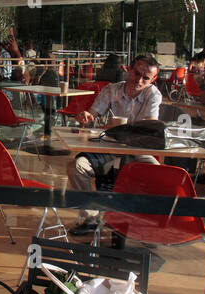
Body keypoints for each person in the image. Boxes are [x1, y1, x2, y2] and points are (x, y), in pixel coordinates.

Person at [68, 55, 162, 235]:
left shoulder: (153, 95)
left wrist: (121, 129)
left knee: (159, 174)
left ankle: (144, 223)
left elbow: (149, 127)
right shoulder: (111, 90)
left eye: (146, 77)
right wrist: (86, 116)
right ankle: (91, 217)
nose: (139, 80)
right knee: (76, 167)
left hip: (137, 150)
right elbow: (93, 113)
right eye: (136, 73)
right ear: (128, 69)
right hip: (109, 147)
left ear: (153, 79)